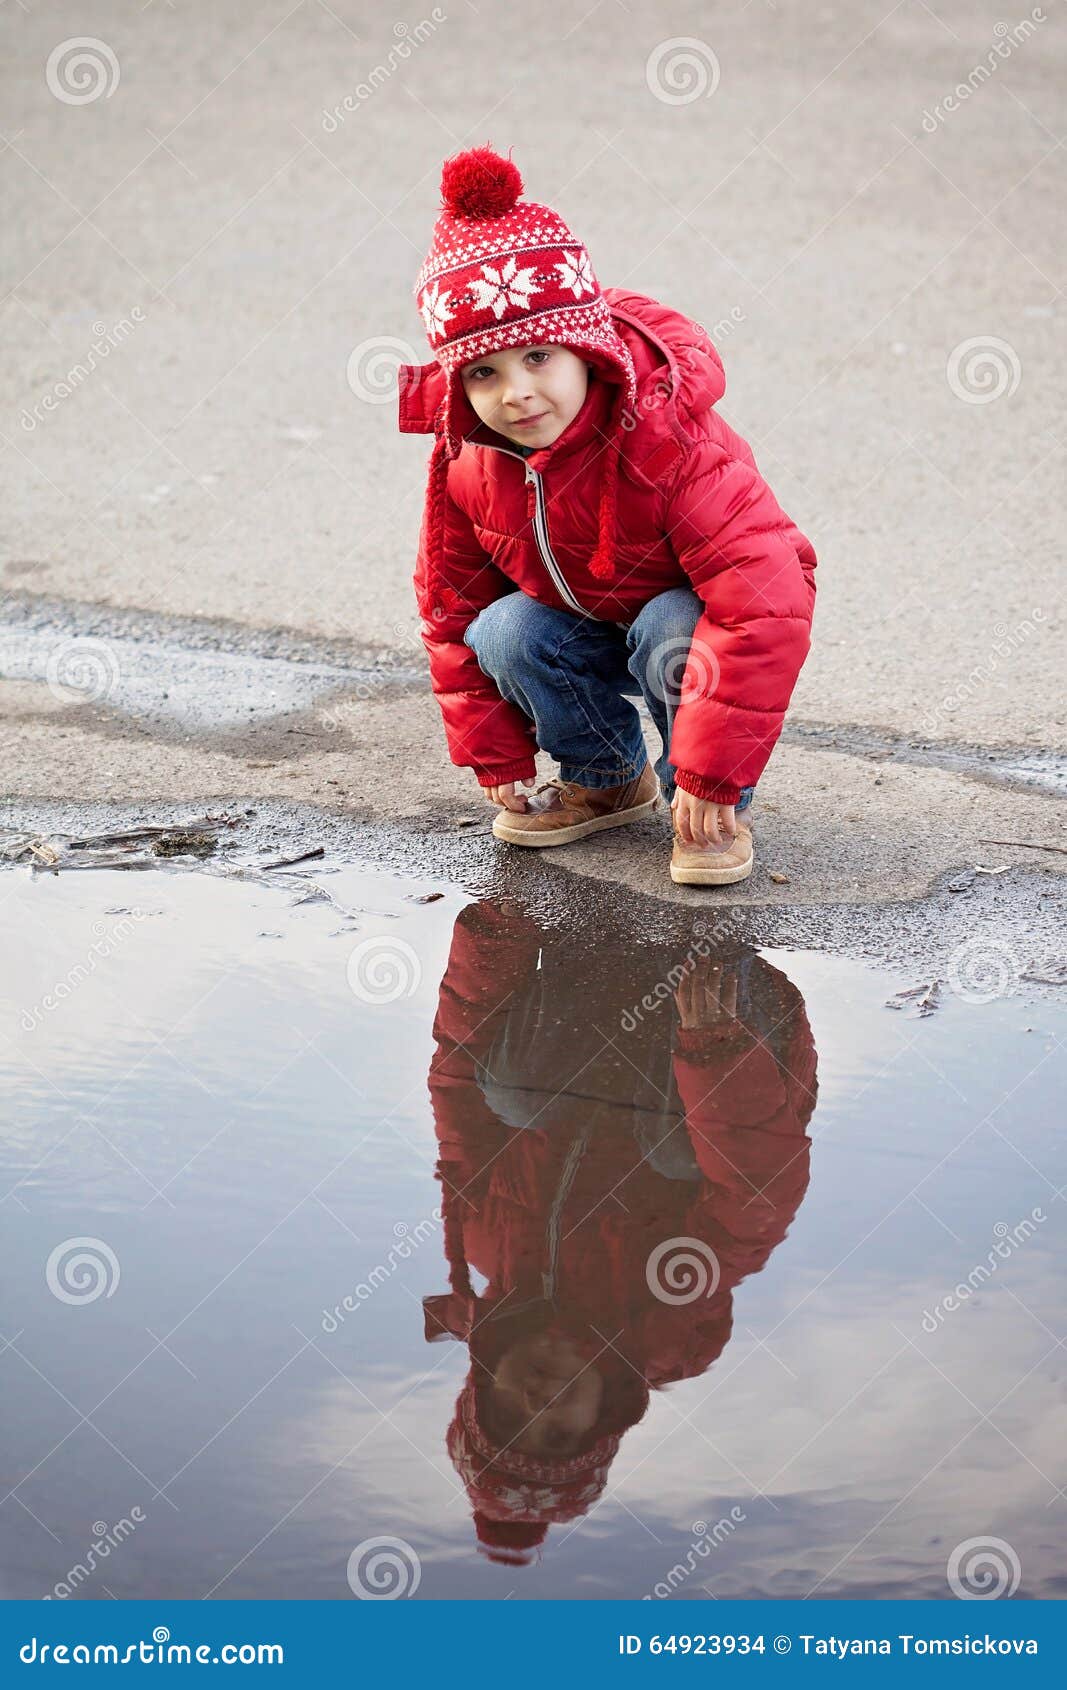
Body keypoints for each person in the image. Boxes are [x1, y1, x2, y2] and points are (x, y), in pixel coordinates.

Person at [398, 145, 817, 886]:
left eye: (538, 359)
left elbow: (762, 605)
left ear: (587, 354)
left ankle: (712, 805)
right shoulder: (469, 461)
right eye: (483, 373)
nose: (515, 393)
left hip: (693, 619)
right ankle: (607, 775)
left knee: (669, 624)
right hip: (584, 620)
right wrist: (495, 754)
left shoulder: (667, 444)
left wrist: (712, 775)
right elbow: (448, 610)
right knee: (502, 628)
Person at [421, 897, 818, 1566]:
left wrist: (501, 929)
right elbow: (756, 1191)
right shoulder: (667, 1314)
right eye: (556, 1431)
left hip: (599, 982)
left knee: (512, 1098)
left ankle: (592, 926)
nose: (540, 1399)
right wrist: (714, 1043)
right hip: (719, 1028)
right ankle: (712, 948)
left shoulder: (488, 1250)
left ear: (485, 1386)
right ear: (600, 1420)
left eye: (514, 1416)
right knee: (674, 1156)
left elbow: (455, 1082)